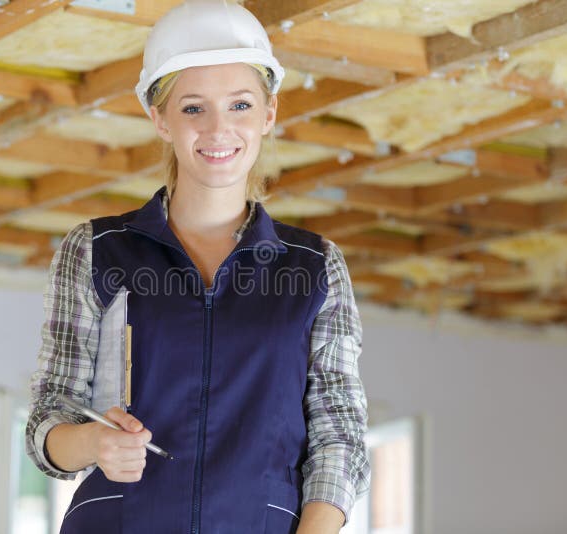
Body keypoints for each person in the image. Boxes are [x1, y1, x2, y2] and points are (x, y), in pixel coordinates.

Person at [25, 1, 371, 533]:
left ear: (269, 113)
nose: (218, 129)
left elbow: (339, 435)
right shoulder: (98, 250)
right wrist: (94, 442)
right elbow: (50, 416)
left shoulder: (314, 267)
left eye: (239, 105)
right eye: (192, 109)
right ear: (159, 118)